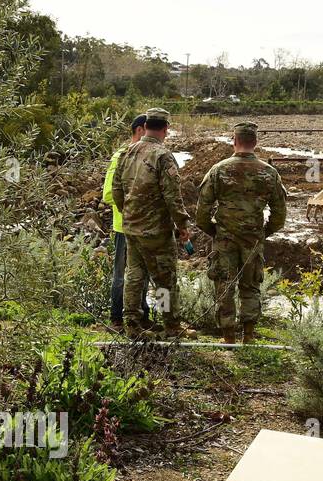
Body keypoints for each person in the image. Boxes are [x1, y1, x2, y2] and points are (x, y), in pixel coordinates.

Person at [194, 122, 286, 344]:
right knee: (251, 285)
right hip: (253, 239)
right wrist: (263, 232)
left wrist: (214, 231)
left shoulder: (218, 170)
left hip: (224, 238)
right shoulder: (269, 173)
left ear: (234, 141)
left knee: (224, 284)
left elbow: (201, 212)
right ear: (255, 143)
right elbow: (279, 213)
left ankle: (228, 337)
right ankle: (249, 335)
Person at [112, 107, 191, 338]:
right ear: (166, 129)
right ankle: (171, 327)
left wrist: (128, 212)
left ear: (145, 126)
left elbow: (117, 189)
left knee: (134, 276)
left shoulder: (127, 152)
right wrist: (182, 226)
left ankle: (132, 325)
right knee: (164, 281)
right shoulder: (162, 156)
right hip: (156, 231)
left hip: (131, 227)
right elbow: (173, 197)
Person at [102, 115, 150, 328]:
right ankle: (116, 318)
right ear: (140, 130)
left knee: (144, 275)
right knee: (121, 275)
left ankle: (141, 316)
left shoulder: (149, 157)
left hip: (146, 229)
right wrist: (135, 204)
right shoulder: (120, 156)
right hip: (124, 227)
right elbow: (108, 194)